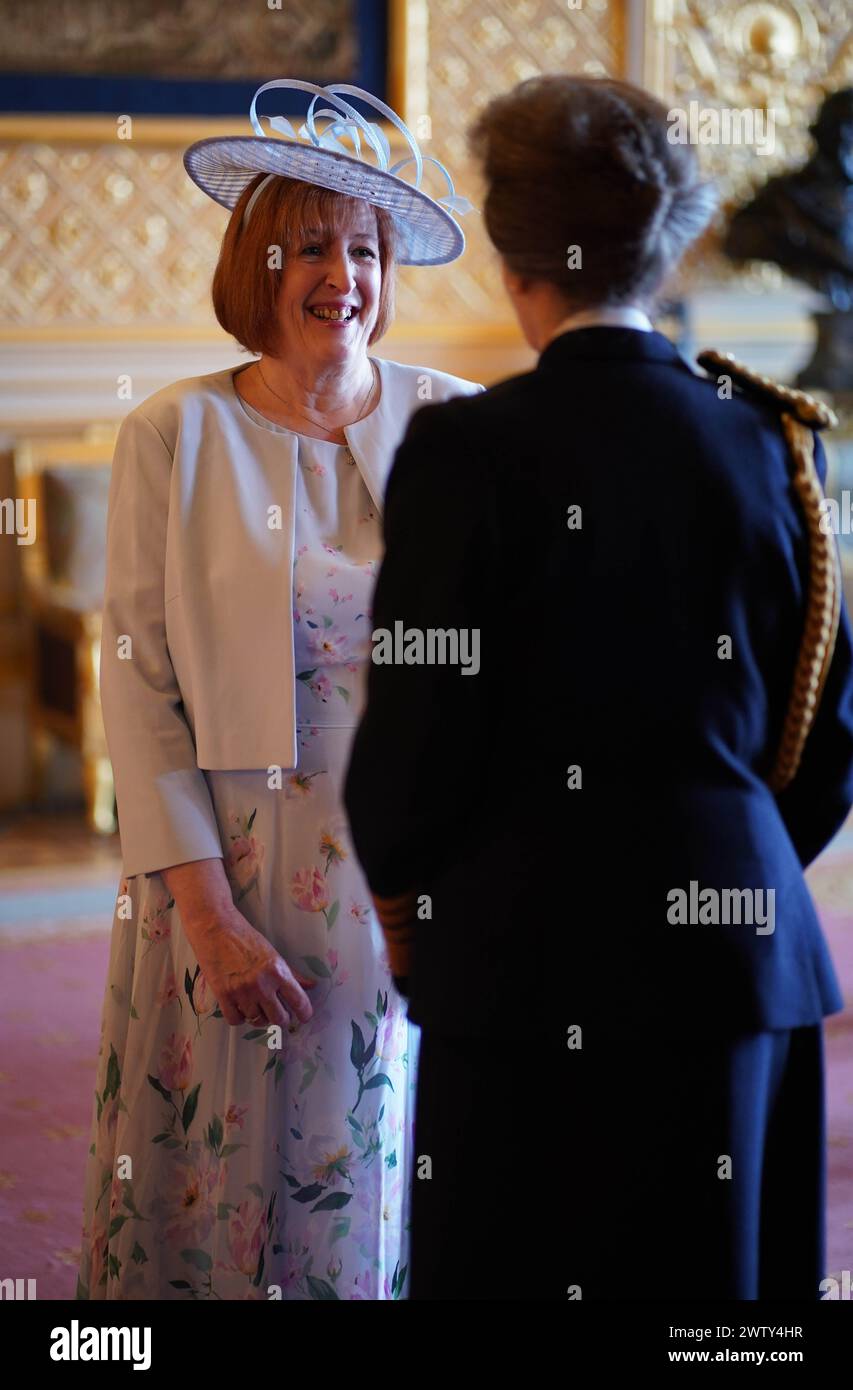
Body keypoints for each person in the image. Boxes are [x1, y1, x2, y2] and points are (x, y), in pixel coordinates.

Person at [344, 75, 853, 1300]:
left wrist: (425, 914)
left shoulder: (465, 450)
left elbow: (410, 743)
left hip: (521, 964)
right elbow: (827, 733)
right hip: (738, 960)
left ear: (517, 258)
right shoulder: (772, 437)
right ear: (667, 242)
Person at [76, 78, 481, 1302]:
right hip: (218, 870)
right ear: (258, 264)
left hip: (397, 877)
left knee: (365, 1154)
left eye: (362, 250)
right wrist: (204, 915)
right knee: (206, 1175)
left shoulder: (452, 425)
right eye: (310, 245)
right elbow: (141, 687)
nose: (341, 276)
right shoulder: (172, 434)